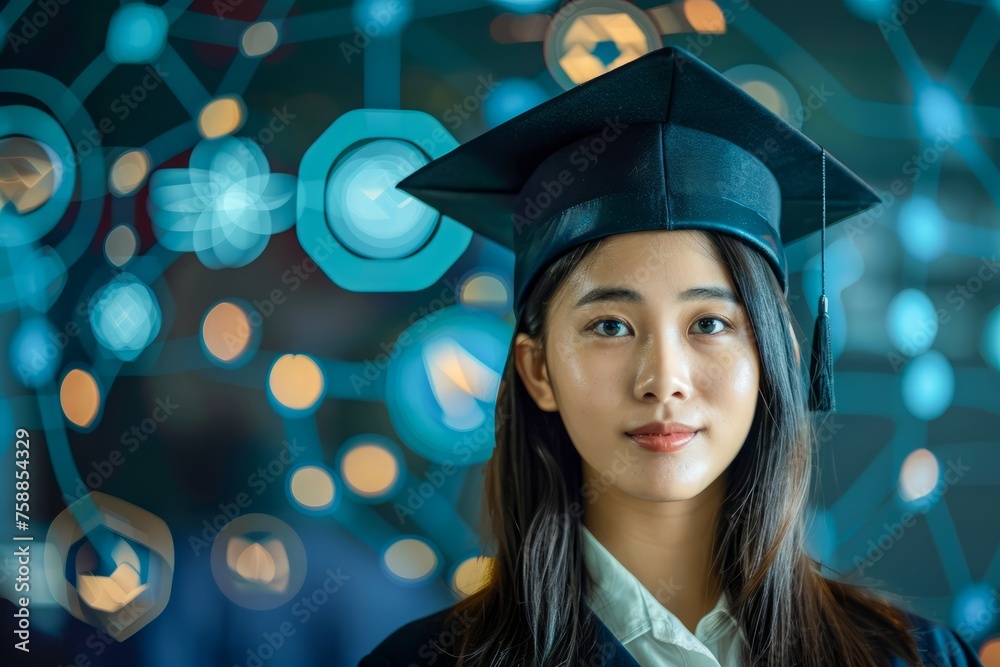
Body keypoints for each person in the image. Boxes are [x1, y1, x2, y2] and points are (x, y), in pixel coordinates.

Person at [357, 46, 985, 666]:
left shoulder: (914, 659)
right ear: (538, 370)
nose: (664, 381)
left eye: (709, 322)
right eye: (610, 325)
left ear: (776, 356)